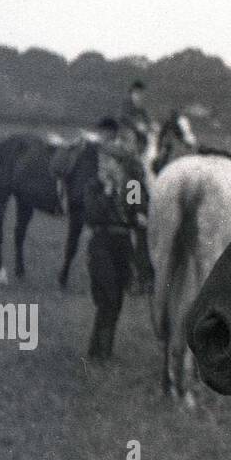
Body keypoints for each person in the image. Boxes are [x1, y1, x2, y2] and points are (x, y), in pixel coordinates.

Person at [82, 134, 148, 361]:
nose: (103, 166)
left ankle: (99, 351)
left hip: (122, 245)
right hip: (100, 243)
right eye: (101, 161)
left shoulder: (131, 186)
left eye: (108, 161)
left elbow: (137, 209)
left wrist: (138, 214)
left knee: (116, 299)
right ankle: (101, 352)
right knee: (108, 295)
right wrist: (108, 193)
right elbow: (91, 215)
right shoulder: (95, 186)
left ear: (118, 165)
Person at [118, 79, 152, 153]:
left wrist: (150, 124)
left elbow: (145, 115)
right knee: (131, 137)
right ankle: (130, 155)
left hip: (135, 127)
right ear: (133, 91)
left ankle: (143, 154)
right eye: (138, 92)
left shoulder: (139, 103)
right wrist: (137, 124)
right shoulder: (127, 102)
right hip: (124, 126)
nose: (140, 94)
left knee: (147, 137)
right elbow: (125, 115)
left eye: (141, 92)